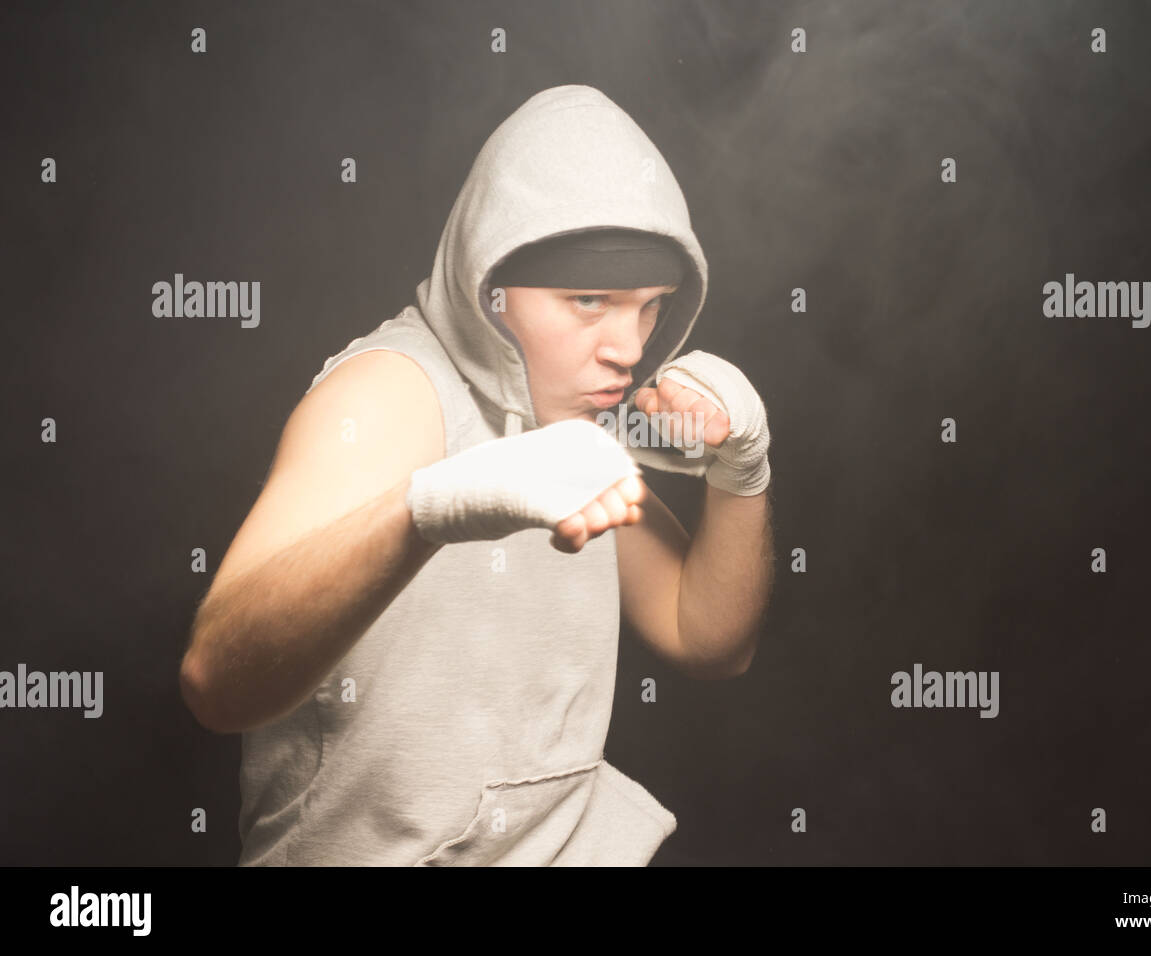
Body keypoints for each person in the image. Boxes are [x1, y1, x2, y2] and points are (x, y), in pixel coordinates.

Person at [179, 84, 775, 866]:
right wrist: (428, 510)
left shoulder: (570, 409)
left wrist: (743, 469)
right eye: (588, 301)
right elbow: (214, 683)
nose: (627, 349)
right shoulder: (387, 394)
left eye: (650, 308)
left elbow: (706, 639)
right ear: (488, 285)